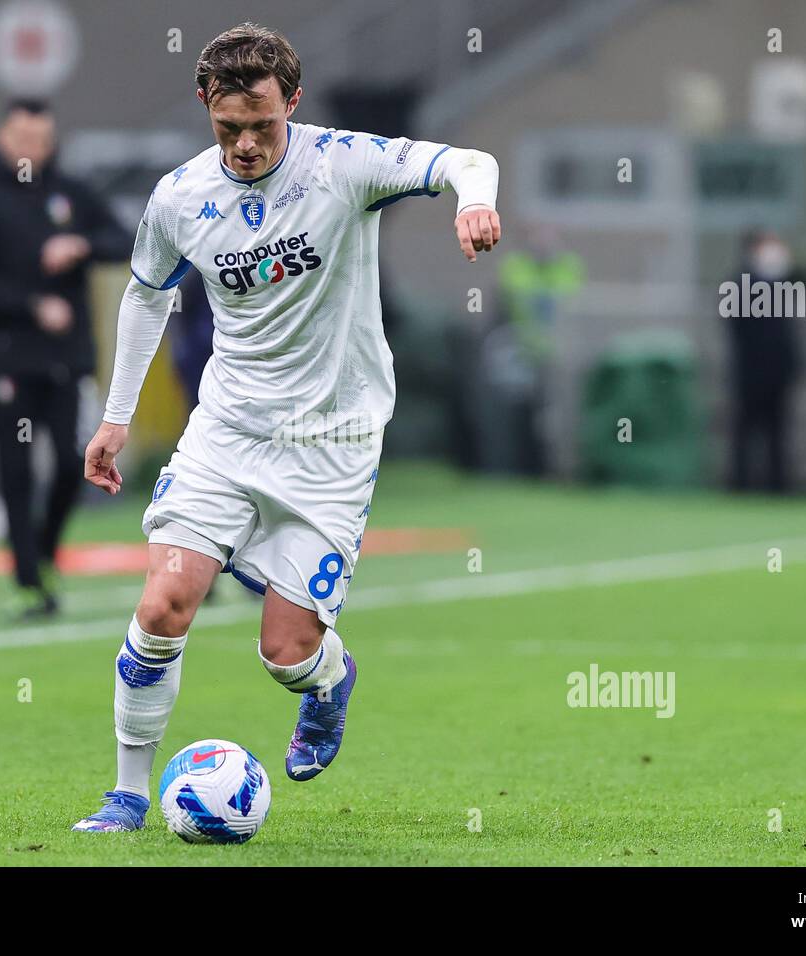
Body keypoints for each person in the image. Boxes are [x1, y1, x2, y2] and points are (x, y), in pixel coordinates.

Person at [73, 22, 501, 832]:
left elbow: (466, 162)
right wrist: (115, 418)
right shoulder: (178, 197)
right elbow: (146, 295)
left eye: (262, 124)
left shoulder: (344, 163)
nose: (244, 144)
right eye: (227, 126)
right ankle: (127, 793)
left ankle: (328, 682)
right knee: (165, 604)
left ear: (292, 102)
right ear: (206, 106)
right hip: (227, 433)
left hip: (332, 446)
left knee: (287, 653)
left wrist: (474, 203)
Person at [0, 99, 133, 620]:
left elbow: (123, 239)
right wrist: (31, 306)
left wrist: (80, 245)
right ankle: (28, 578)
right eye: (22, 139)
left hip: (67, 359)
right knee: (15, 468)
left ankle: (47, 551)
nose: (32, 150)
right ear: (2, 138)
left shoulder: (71, 195)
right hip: (8, 359)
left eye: (41, 140)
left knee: (74, 461)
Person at [724, 229, 803, 493]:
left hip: (778, 371)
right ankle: (740, 484)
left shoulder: (784, 284)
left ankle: (777, 485)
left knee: (777, 430)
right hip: (750, 371)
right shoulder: (740, 283)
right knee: (745, 429)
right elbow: (737, 327)